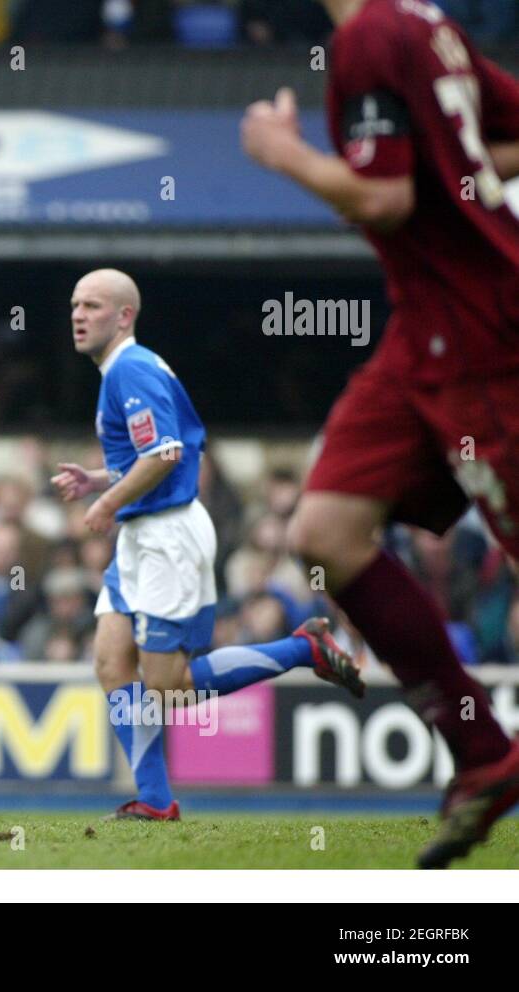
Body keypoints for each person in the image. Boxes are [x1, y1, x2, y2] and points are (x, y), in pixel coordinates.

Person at [240, 0, 519, 868]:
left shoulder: (370, 38)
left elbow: (387, 198)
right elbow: (492, 148)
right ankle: (485, 756)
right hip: (422, 330)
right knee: (325, 535)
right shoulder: (429, 29)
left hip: (481, 334)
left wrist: (285, 155)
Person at [52, 268, 364, 821]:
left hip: (166, 534)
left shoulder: (132, 369)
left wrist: (104, 504)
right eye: (76, 305)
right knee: (109, 661)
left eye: (93, 306)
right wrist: (99, 481)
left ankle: (303, 649)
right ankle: (154, 802)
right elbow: (149, 454)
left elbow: (165, 454)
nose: (78, 315)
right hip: (141, 534)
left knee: (167, 688)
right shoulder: (122, 371)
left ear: (125, 315)